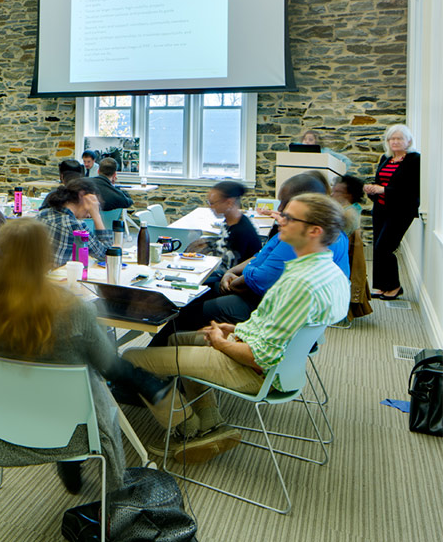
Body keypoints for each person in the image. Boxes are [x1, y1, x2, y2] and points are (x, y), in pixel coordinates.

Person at [128, 193, 350, 464]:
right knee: (175, 339)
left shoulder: (298, 283)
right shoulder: (327, 271)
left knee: (130, 359)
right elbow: (281, 329)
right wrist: (234, 329)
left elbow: (260, 357)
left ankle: (186, 428)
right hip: (276, 360)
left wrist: (223, 343)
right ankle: (210, 422)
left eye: (288, 218)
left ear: (314, 231)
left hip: (257, 371)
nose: (278, 219)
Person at [0, 219, 130, 495]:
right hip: (70, 433)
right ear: (45, 257)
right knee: (95, 388)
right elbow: (108, 364)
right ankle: (72, 465)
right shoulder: (73, 310)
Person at [152, 171, 347, 342]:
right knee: (201, 292)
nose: (278, 213)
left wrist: (233, 280)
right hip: (268, 307)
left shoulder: (297, 246)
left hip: (260, 306)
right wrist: (233, 272)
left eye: (286, 210)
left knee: (188, 309)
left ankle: (152, 366)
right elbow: (260, 256)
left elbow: (261, 280)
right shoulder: (327, 237)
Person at [364, 124, 420, 299]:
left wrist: (383, 190)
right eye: (392, 139)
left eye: (399, 138)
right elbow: (380, 180)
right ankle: (381, 286)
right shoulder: (386, 158)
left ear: (408, 141)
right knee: (377, 247)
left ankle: (395, 286)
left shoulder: (414, 159)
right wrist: (372, 188)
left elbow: (410, 189)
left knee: (385, 247)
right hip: (381, 208)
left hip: (401, 211)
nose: (395, 142)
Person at [37, 179, 113, 266]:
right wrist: (96, 215)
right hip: (59, 277)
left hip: (38, 274)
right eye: (93, 203)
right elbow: (107, 255)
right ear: (82, 195)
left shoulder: (42, 214)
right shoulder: (75, 225)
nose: (89, 215)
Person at [191, 180, 263, 269]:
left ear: (229, 203)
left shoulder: (240, 231)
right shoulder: (230, 221)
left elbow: (228, 268)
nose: (210, 207)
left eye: (213, 203)